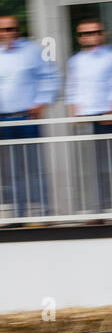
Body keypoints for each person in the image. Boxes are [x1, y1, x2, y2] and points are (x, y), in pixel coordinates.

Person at [65, 17, 112, 211]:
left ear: (103, 34)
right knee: (90, 168)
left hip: (107, 117)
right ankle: (97, 209)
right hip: (85, 119)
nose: (90, 36)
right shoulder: (75, 61)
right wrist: (73, 112)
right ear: (79, 38)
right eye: (85, 33)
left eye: (94, 32)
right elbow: (72, 87)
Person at [0, 14, 58, 217]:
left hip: (26, 118)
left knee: (33, 167)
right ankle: (17, 214)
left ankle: (41, 212)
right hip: (3, 121)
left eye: (11, 29)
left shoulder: (33, 51)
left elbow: (50, 77)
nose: (7, 33)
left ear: (18, 30)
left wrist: (40, 103)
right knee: (9, 171)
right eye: (3, 29)